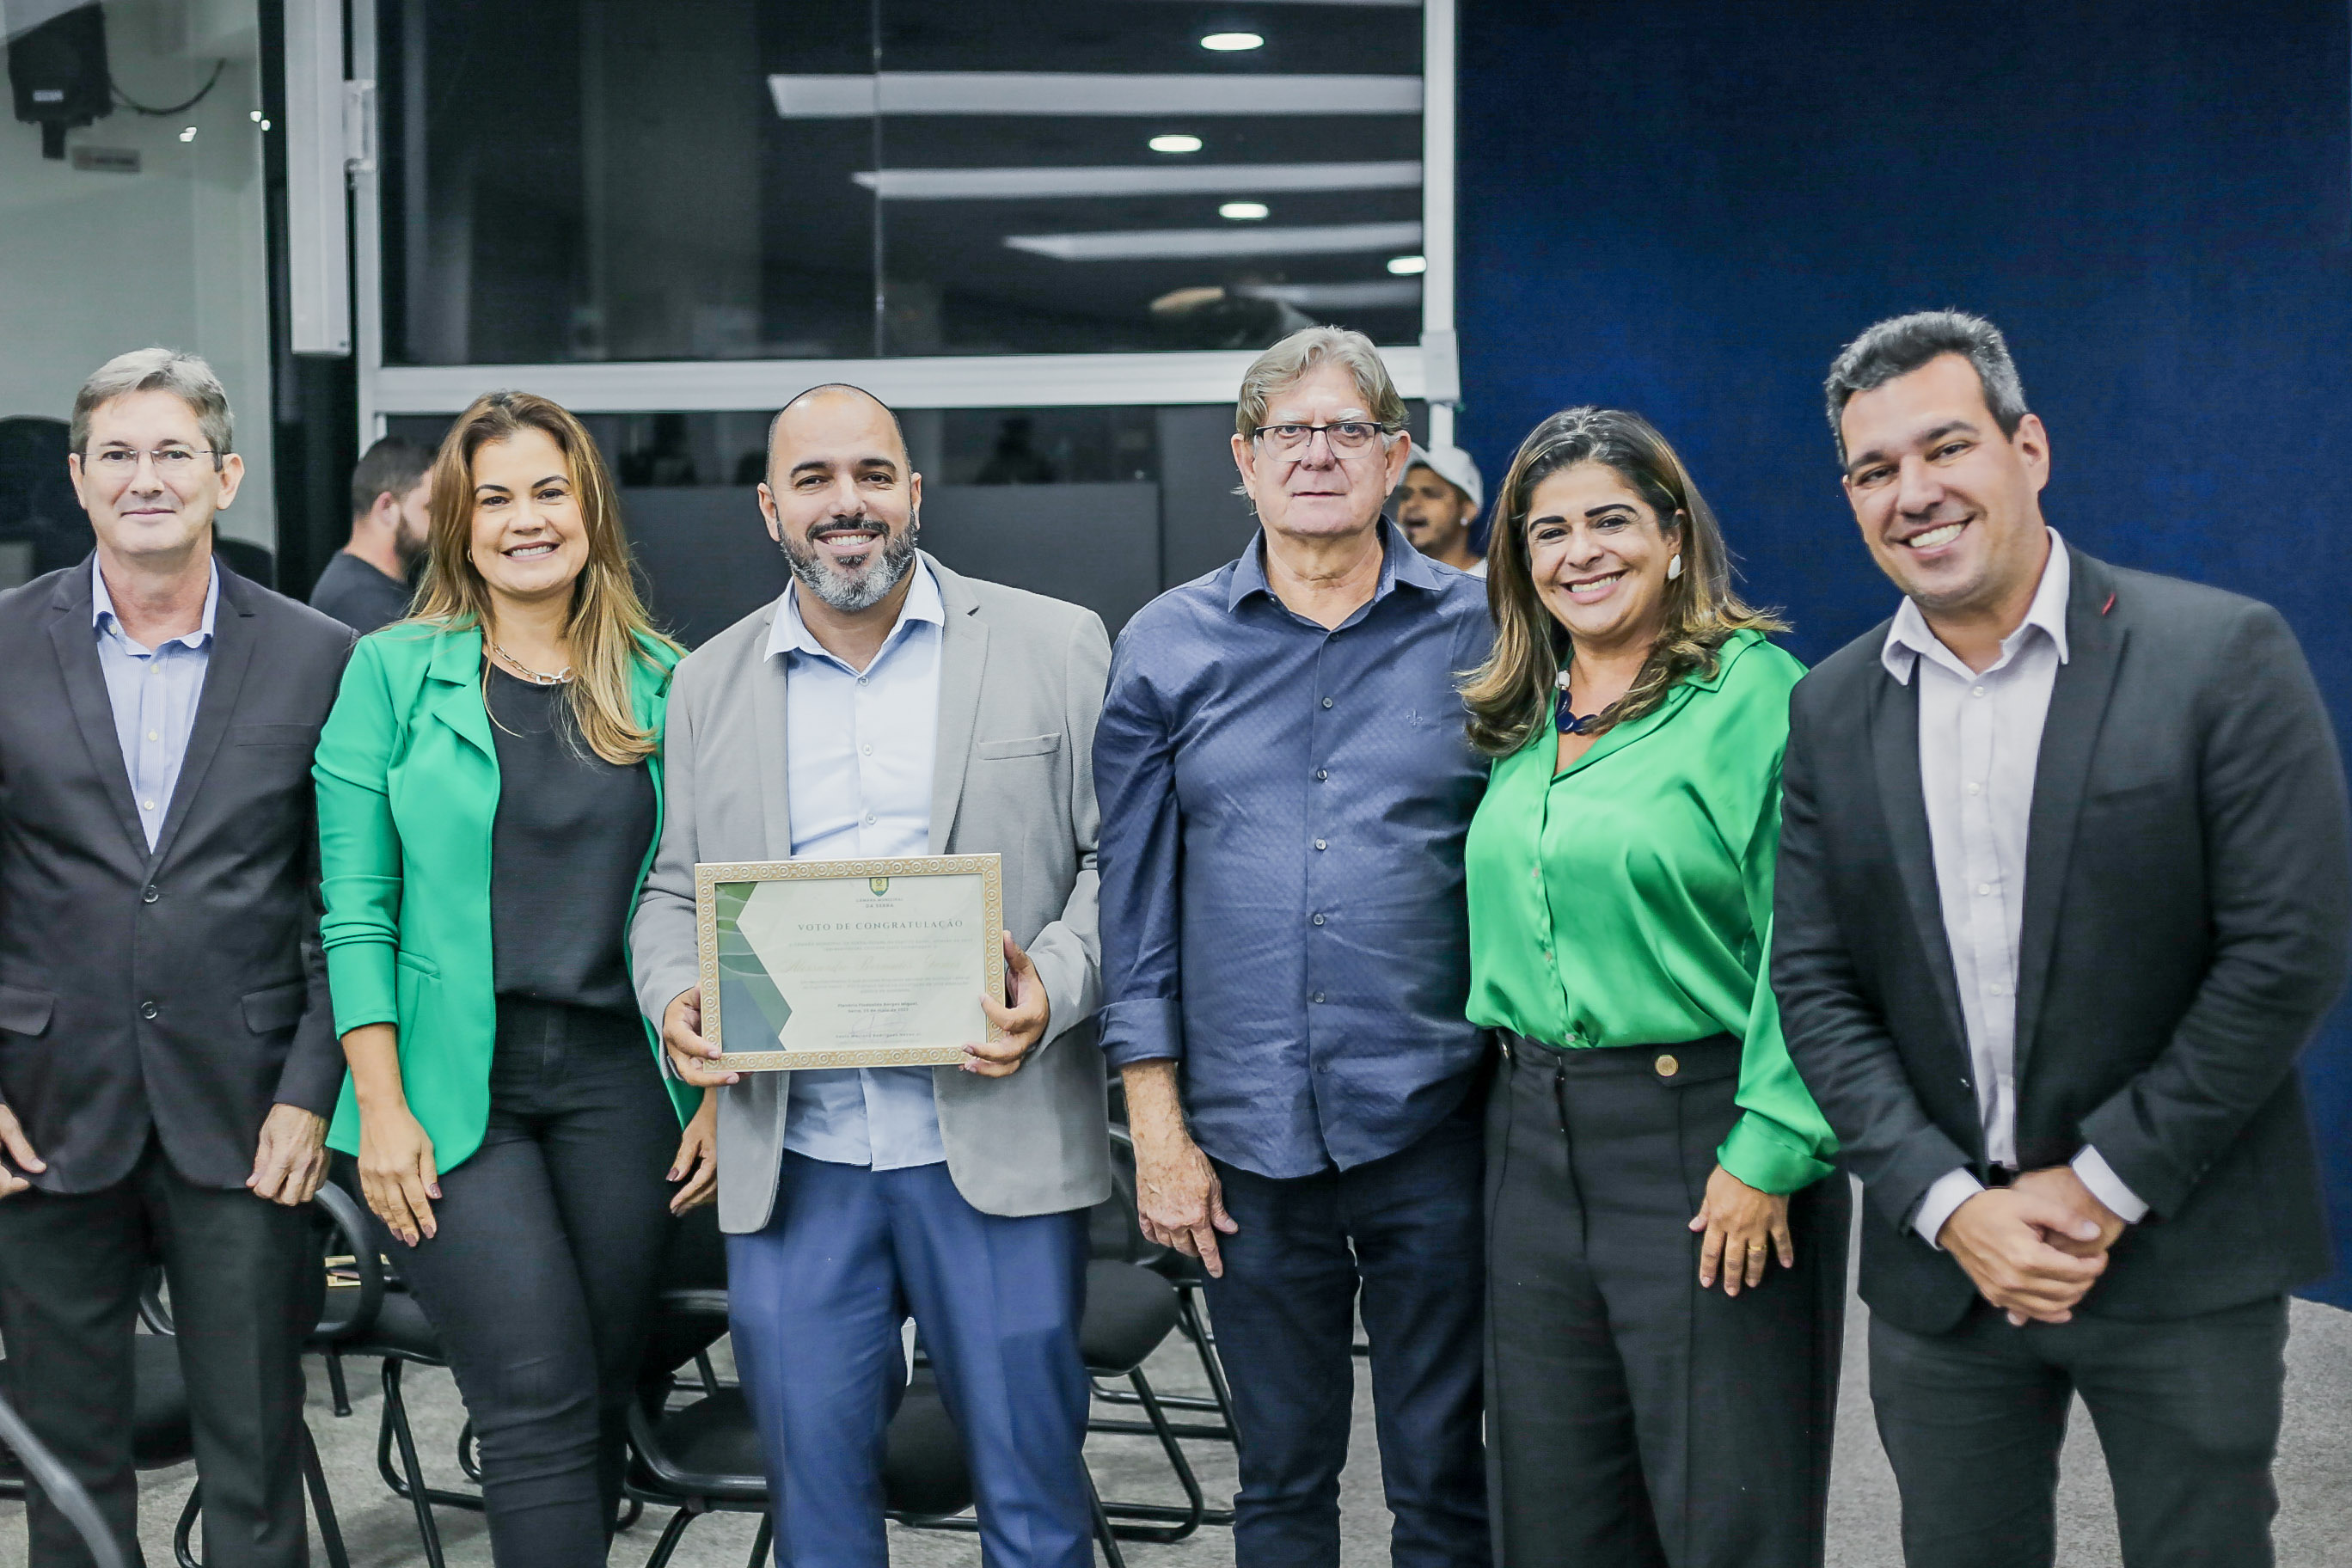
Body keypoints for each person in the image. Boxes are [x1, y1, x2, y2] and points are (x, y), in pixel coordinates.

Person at [1774, 310, 2352, 1567]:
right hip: (1943, 1277)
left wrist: (2095, 1189)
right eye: (1875, 471)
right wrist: (1943, 1202)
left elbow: (2286, 950)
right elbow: (1814, 985)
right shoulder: (1827, 709)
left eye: (1946, 448)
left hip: (2181, 1242)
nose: (1913, 494)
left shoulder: (2219, 656)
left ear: (2027, 447)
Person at [634, 383, 1112, 1568]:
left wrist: (1051, 985)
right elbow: (672, 893)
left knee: (1038, 1507)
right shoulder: (709, 684)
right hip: (799, 1162)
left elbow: (1126, 865)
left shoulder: (1055, 644)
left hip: (996, 1144)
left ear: (912, 490)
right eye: (812, 480)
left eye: (869, 475)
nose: (844, 504)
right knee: (818, 1521)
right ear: (769, 508)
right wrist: (672, 1001)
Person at [1094, 327, 1493, 1568]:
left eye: (1347, 430)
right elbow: (1134, 901)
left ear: (1395, 457)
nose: (1317, 454)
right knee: (1279, 1479)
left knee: (1443, 1476)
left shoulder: (1492, 632)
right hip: (1245, 1135)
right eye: (1289, 432)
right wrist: (1157, 1133)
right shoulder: (1165, 643)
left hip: (1440, 1116)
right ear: (1246, 461)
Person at [313, 390, 716, 1567]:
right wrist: (378, 1112)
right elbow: (354, 911)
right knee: (535, 1394)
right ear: (458, 524)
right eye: (495, 498)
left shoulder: (670, 683)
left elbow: (714, 900)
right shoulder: (388, 673)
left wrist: (725, 1092)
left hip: (624, 1092)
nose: (524, 519)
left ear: (588, 507)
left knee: (591, 1393)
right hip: (442, 1090)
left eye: (549, 491)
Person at [1459, 407, 1847, 1567]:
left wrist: (1769, 1149)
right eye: (1549, 531)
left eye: (1612, 520)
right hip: (1528, 1137)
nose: (1582, 552)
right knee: (1555, 1504)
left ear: (1675, 536)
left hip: (1707, 1137)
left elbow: (1816, 941)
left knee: (1726, 1507)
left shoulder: (1763, 697)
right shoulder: (1522, 715)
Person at [0, 348, 352, 1568]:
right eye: (118, 455)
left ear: (226, 475)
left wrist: (314, 1089)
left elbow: (344, 897)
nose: (145, 478)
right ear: (81, 480)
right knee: (66, 1460)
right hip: (43, 1114)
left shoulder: (319, 655)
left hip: (252, 1115)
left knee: (257, 1450)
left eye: (172, 453)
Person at [309, 435, 431, 634]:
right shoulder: (362, 602)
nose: (445, 523)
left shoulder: (368, 589)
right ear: (387, 508)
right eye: (431, 508)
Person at [1395, 440, 1485, 574]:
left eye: (1430, 494)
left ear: (1467, 511)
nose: (1411, 504)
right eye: (1406, 495)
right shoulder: (1389, 582)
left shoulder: (1496, 585)